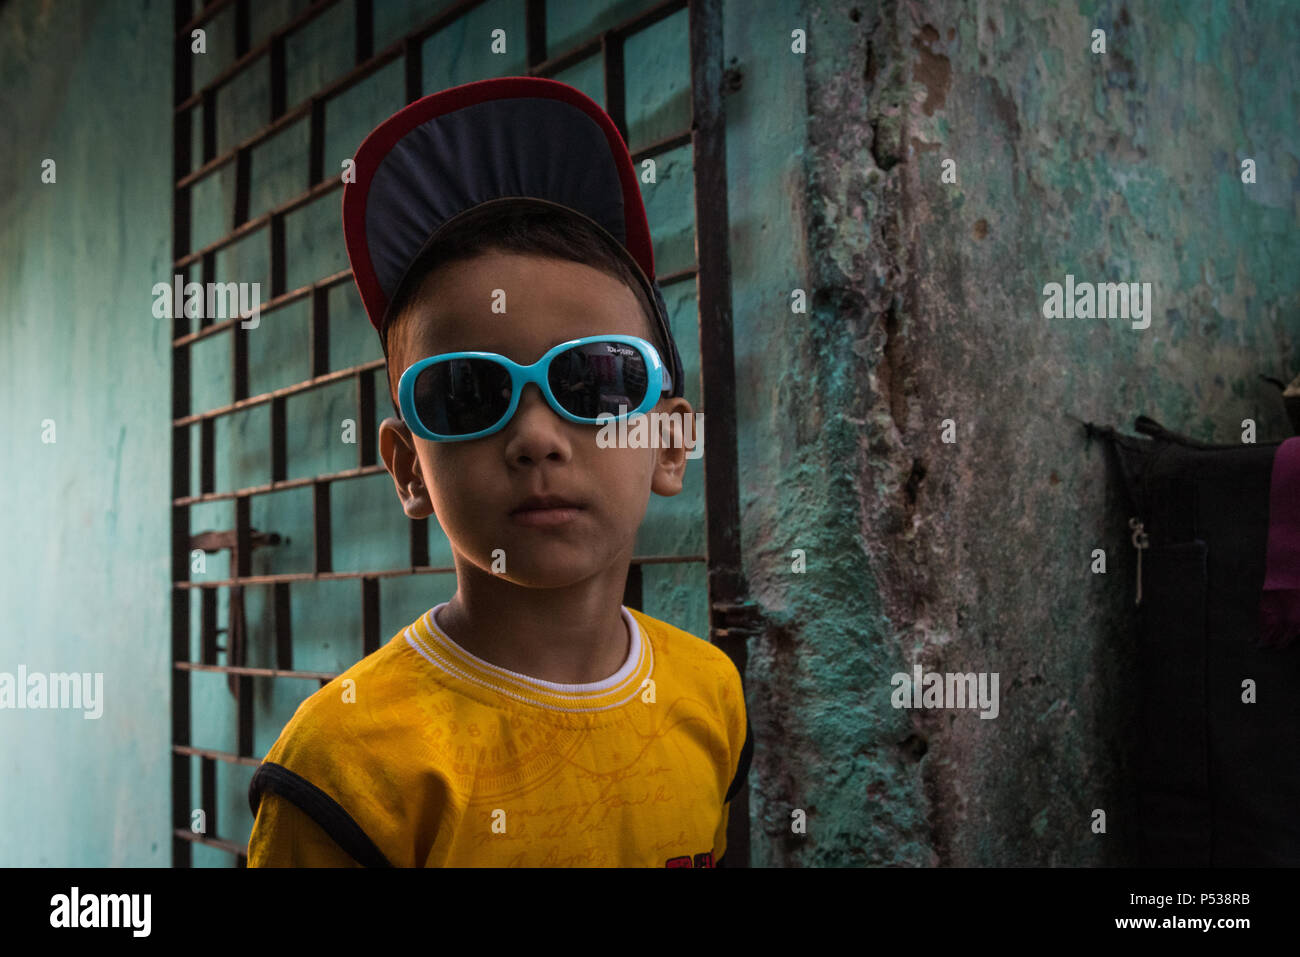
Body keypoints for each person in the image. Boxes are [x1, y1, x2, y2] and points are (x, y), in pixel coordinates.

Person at [246, 77, 752, 867]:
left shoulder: (710, 696)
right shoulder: (347, 766)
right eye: (466, 393)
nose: (537, 437)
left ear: (669, 442)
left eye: (596, 381)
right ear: (409, 468)